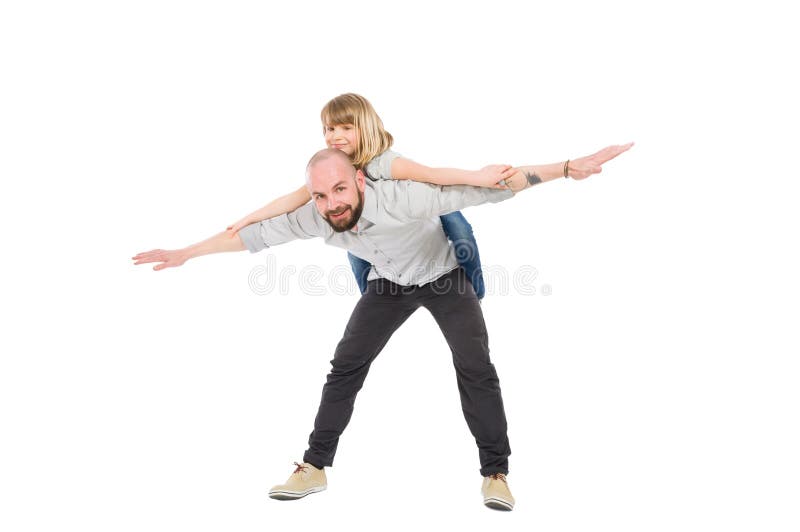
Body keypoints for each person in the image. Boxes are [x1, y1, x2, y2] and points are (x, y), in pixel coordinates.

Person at [132, 142, 633, 510]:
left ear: (361, 182)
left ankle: (496, 473)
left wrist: (566, 169)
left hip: (443, 277)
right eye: (321, 196)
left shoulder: (402, 197)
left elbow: (490, 189)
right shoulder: (317, 216)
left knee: (476, 367)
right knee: (345, 367)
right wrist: (186, 253)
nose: (332, 204)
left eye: (340, 189)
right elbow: (253, 237)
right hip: (388, 284)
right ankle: (314, 467)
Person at [227, 93, 507, 299]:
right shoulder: (335, 167)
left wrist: (477, 176)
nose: (335, 135)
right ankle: (374, 298)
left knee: (461, 229)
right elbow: (293, 199)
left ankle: (475, 291)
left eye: (346, 128)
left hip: (424, 205)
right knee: (354, 246)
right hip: (376, 224)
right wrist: (250, 218)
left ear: (365, 128)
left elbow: (432, 175)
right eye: (329, 128)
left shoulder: (384, 162)